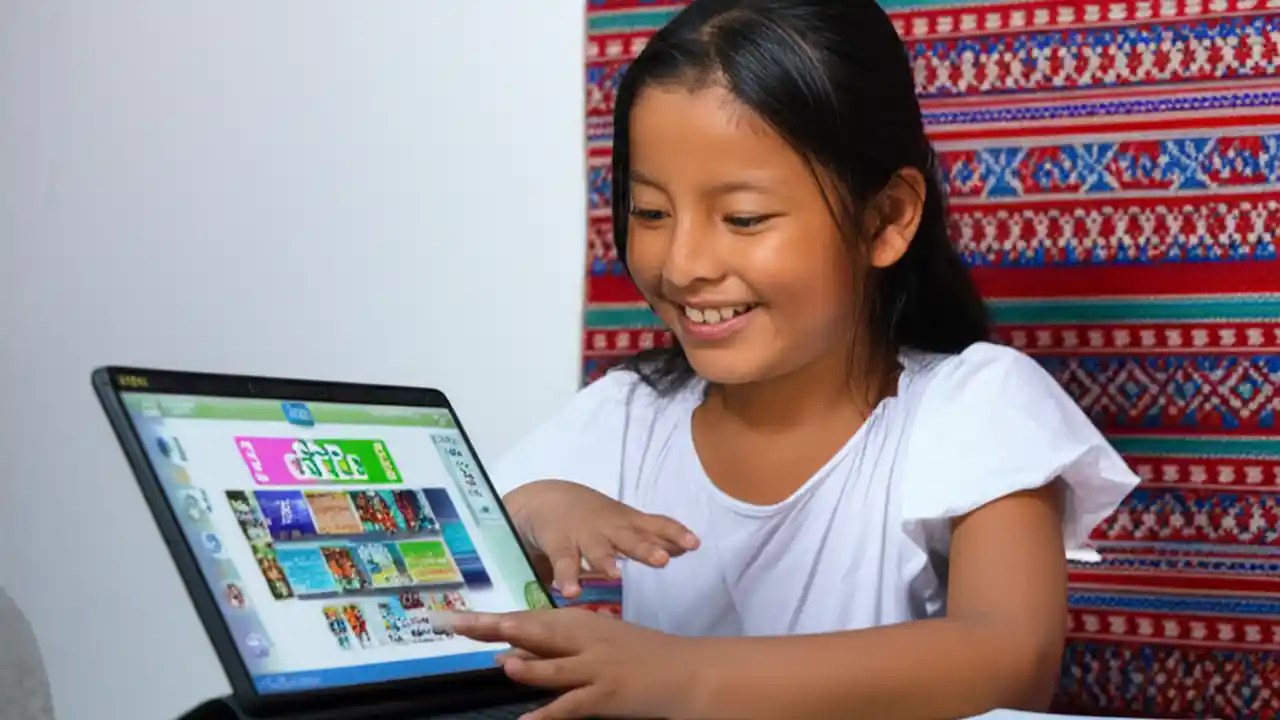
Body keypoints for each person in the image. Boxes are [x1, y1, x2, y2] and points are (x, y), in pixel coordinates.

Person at [449, 1, 1140, 718]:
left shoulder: (977, 406)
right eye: (652, 212)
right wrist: (523, 516)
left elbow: (1008, 659)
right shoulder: (628, 412)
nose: (683, 265)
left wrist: (684, 677)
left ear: (885, 220)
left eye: (743, 218)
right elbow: (425, 614)